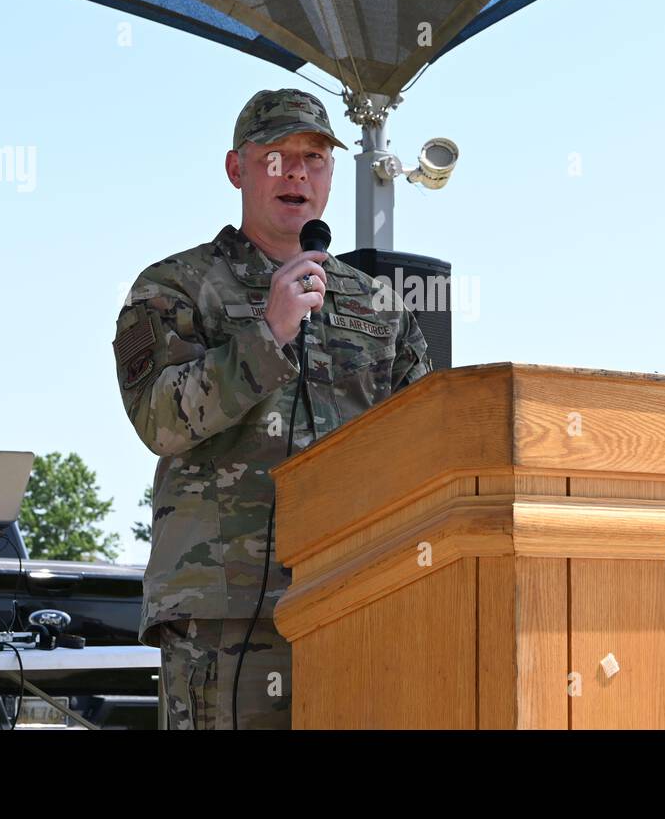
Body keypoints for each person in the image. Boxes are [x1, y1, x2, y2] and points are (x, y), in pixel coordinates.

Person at [112, 88, 431, 729]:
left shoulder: (378, 305)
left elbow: (425, 440)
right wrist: (267, 336)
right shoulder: (175, 285)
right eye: (277, 157)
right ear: (237, 169)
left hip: (353, 599)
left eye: (314, 157)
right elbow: (159, 421)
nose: (298, 174)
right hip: (227, 617)